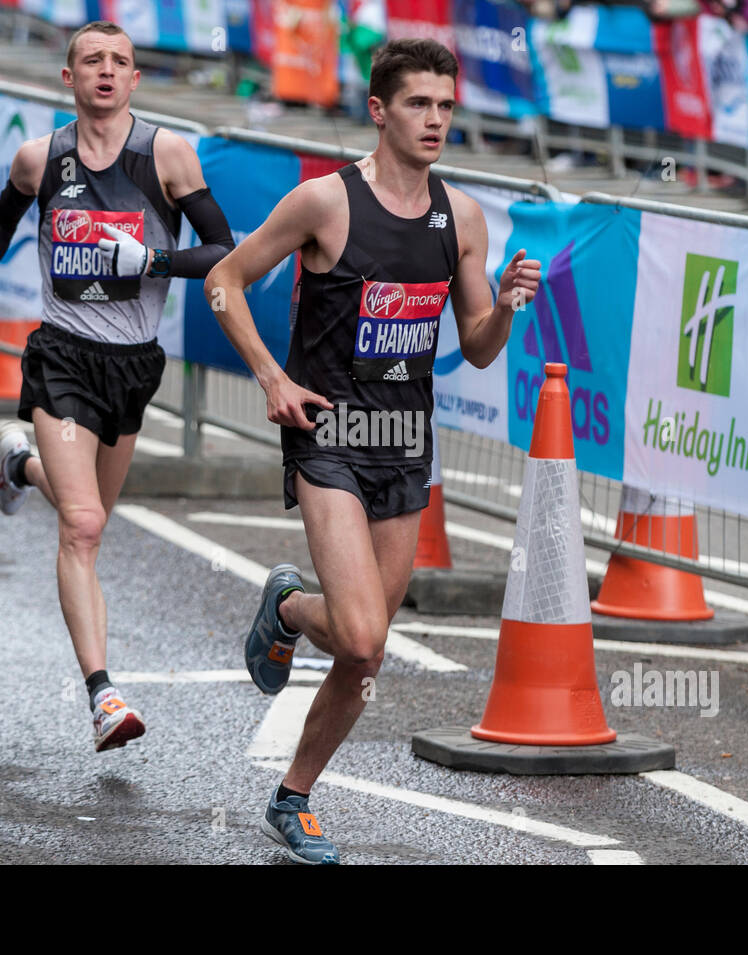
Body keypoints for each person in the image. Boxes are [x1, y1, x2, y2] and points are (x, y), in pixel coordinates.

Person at [204, 38, 542, 865]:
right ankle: (292, 610)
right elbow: (224, 282)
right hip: (327, 437)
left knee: (367, 652)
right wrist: (272, 378)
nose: (436, 120)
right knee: (358, 637)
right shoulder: (324, 202)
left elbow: (478, 345)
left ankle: (294, 792)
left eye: (447, 106)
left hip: (403, 445)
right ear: (380, 110)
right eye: (420, 104)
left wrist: (501, 309)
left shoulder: (460, 218)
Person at [0, 20, 235, 752]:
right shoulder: (39, 158)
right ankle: (103, 694)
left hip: (133, 364)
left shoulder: (167, 154)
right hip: (63, 356)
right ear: (68, 78)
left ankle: (20, 464)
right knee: (84, 526)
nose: (106, 70)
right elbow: (3, 214)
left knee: (93, 515)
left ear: (135, 80)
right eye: (91, 60)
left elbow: (227, 251)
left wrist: (154, 261)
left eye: (120, 62)